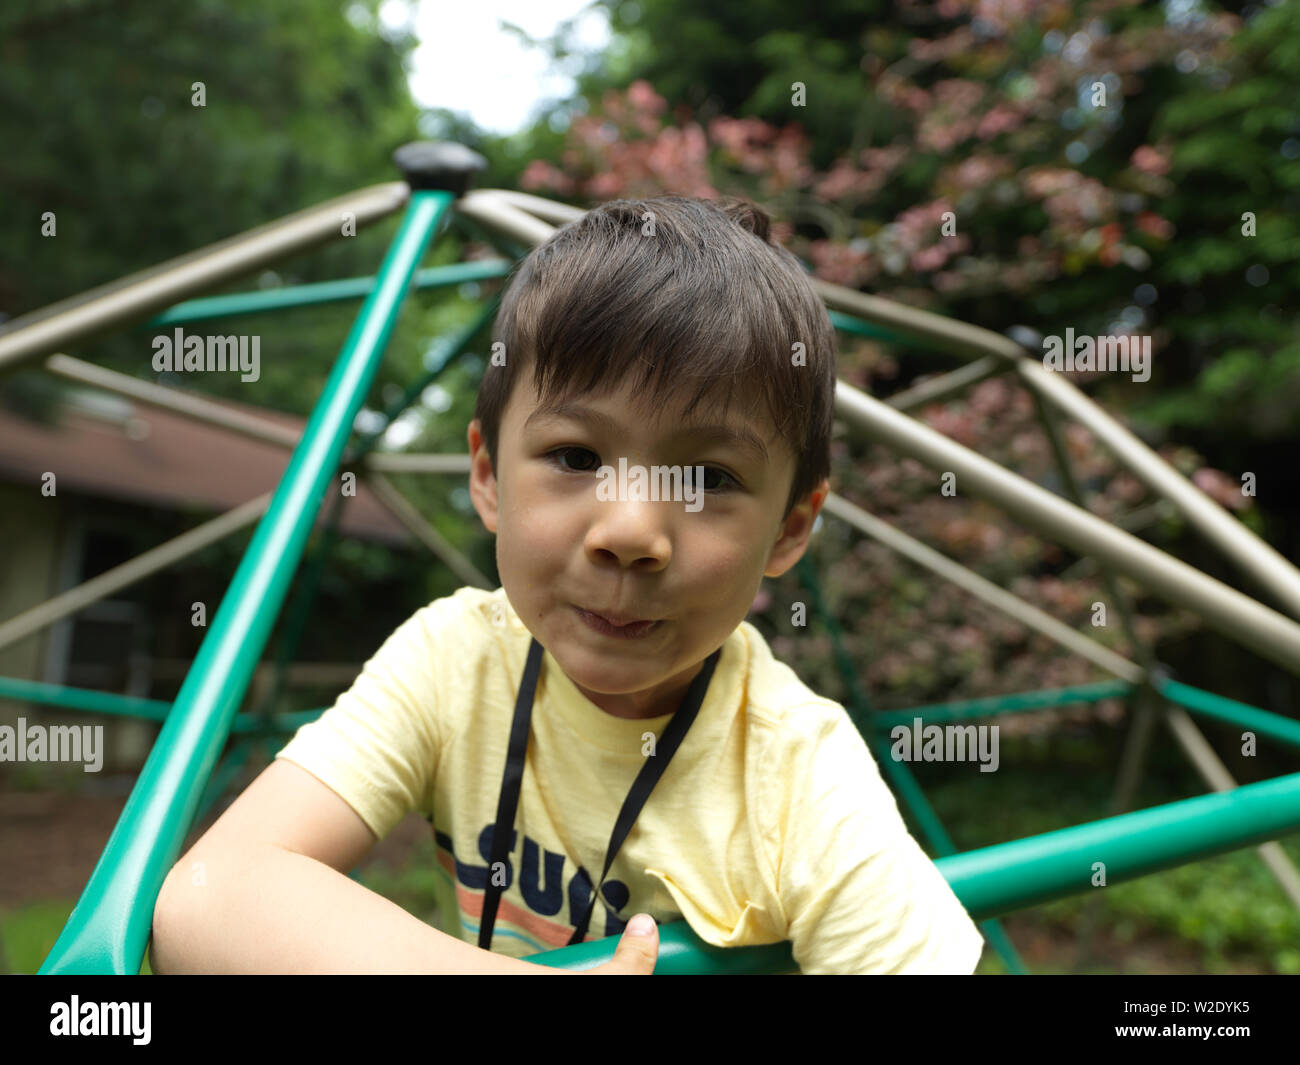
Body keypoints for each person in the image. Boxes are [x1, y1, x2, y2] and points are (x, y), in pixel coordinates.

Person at [150, 196, 985, 975]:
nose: (629, 533)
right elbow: (204, 899)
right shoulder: (456, 659)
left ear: (792, 527)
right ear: (486, 475)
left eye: (709, 478)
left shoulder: (797, 771)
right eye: (577, 458)